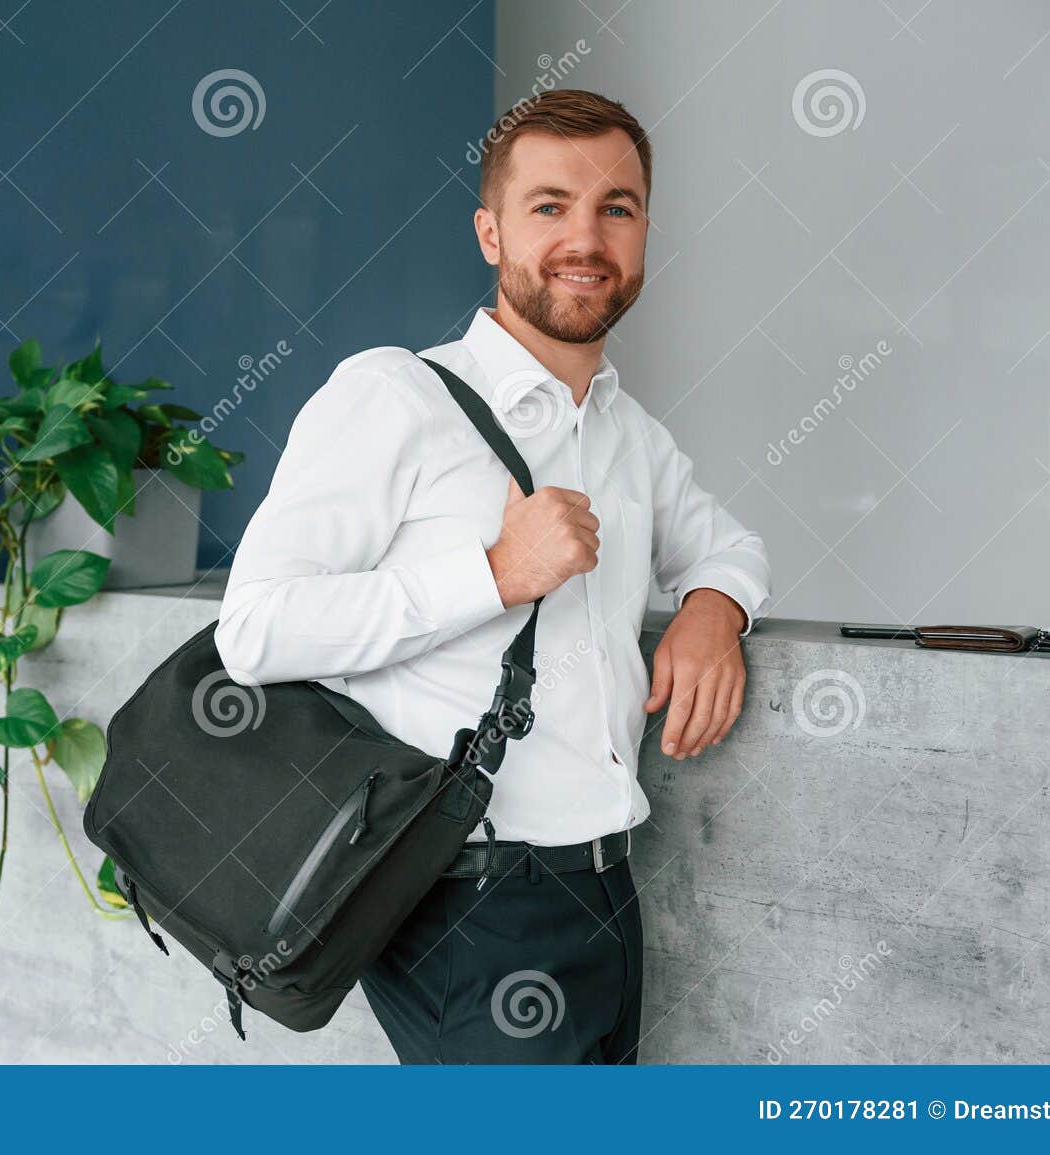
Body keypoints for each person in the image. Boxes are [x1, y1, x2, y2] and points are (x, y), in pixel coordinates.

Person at [214, 89, 771, 1064]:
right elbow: (254, 629)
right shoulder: (394, 395)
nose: (585, 237)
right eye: (548, 206)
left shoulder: (627, 431)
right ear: (489, 231)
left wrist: (714, 610)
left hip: (605, 891)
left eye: (617, 208)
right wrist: (493, 574)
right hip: (463, 907)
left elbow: (727, 546)